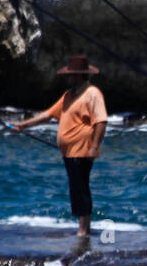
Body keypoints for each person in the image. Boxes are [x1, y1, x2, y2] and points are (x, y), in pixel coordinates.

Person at [14, 55, 108, 237]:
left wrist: (94, 147)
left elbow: (101, 121)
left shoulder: (92, 93)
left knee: (81, 188)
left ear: (78, 76)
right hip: (69, 152)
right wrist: (23, 125)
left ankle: (84, 230)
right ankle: (82, 228)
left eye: (69, 76)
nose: (66, 79)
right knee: (76, 187)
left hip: (82, 150)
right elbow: (49, 114)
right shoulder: (69, 95)